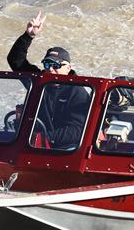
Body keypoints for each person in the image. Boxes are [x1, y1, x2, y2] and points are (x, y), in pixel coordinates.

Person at [7, 11, 90, 150]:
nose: (51, 69)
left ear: (68, 68)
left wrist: (44, 137)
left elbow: (77, 130)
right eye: (47, 65)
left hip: (65, 148)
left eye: (56, 65)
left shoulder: (78, 92)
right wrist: (28, 36)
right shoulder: (38, 81)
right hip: (33, 144)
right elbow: (15, 61)